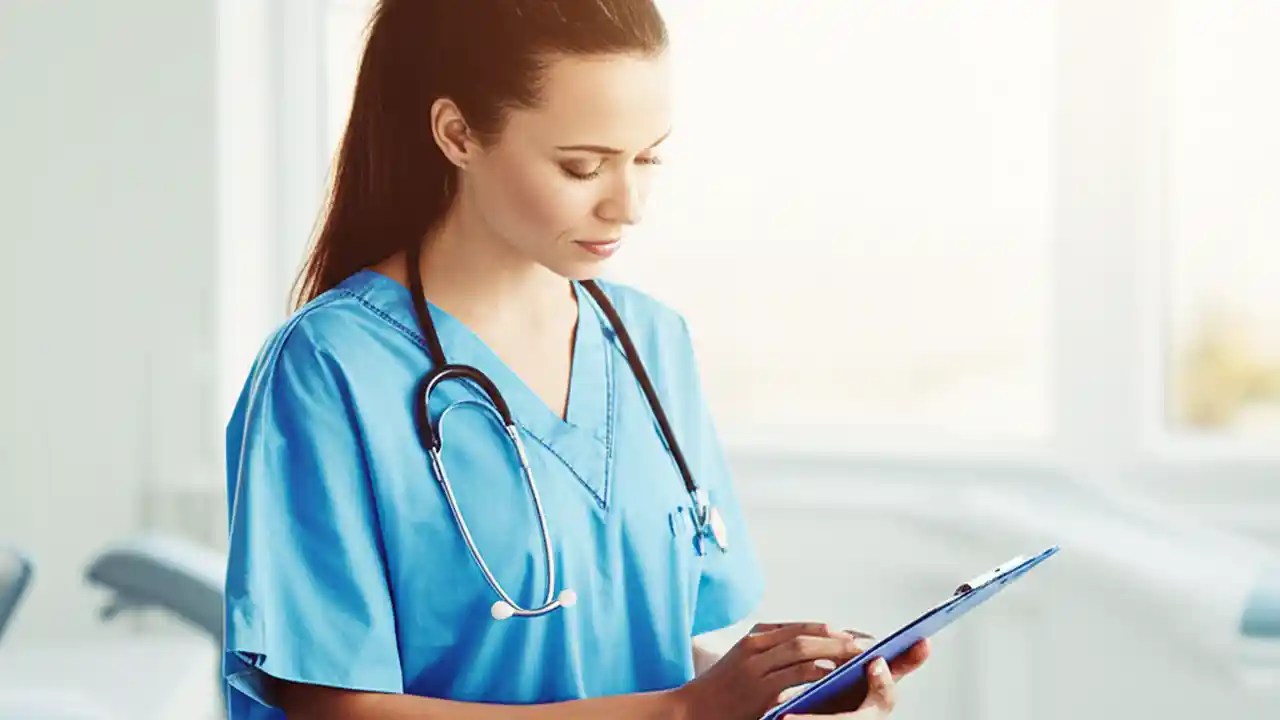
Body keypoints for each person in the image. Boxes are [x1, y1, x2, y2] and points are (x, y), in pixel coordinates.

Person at [221, 1, 929, 718]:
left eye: (647, 157)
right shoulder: (329, 368)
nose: (628, 205)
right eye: (583, 166)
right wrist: (684, 713)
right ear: (458, 134)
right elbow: (332, 706)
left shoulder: (650, 345)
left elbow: (619, 648)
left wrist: (763, 699)